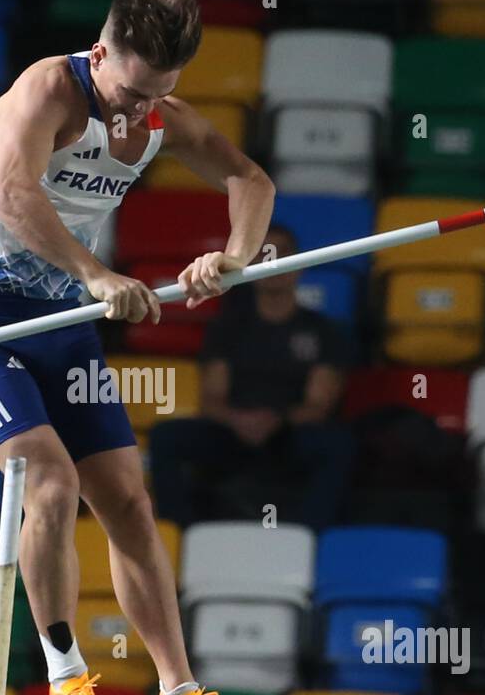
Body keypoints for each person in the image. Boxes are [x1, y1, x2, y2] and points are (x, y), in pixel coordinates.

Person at [0, 0, 276, 695]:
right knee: (47, 483)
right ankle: (66, 675)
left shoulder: (158, 116)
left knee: (127, 499)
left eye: (154, 97)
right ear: (98, 54)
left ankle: (178, 691)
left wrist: (233, 256)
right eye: (126, 91)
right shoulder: (48, 88)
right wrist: (92, 272)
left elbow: (251, 182)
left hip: (64, 330)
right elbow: (11, 191)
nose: (132, 113)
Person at [149, 226, 355, 531]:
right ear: (249, 266)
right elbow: (211, 399)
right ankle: (178, 536)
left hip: (289, 434)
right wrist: (239, 420)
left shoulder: (324, 331)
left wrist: (276, 419)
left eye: (283, 253)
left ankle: (311, 537)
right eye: (264, 253)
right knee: (166, 436)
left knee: (338, 444)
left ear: (300, 264)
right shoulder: (228, 328)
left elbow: (318, 404)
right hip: (232, 433)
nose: (274, 262)